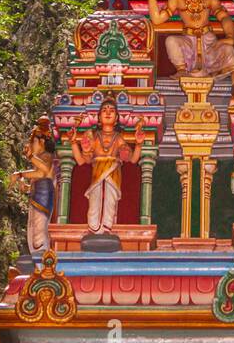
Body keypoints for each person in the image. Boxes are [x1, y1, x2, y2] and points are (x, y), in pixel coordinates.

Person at [70, 97, 138, 234]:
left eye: (112, 111)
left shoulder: (118, 137)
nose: (108, 113)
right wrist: (73, 143)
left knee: (110, 202)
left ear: (117, 117)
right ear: (99, 117)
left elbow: (133, 159)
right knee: (94, 204)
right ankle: (94, 229)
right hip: (97, 175)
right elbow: (82, 161)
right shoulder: (94, 137)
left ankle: (107, 229)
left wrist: (139, 144)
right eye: (104, 111)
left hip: (113, 173)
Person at [9, 114, 58, 254]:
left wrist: (20, 173)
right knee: (34, 231)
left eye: (33, 142)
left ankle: (43, 262)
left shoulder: (47, 156)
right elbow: (38, 175)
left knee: (39, 233)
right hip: (37, 196)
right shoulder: (41, 158)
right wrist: (28, 186)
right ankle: (39, 261)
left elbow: (43, 172)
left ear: (42, 142)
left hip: (43, 199)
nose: (31, 145)